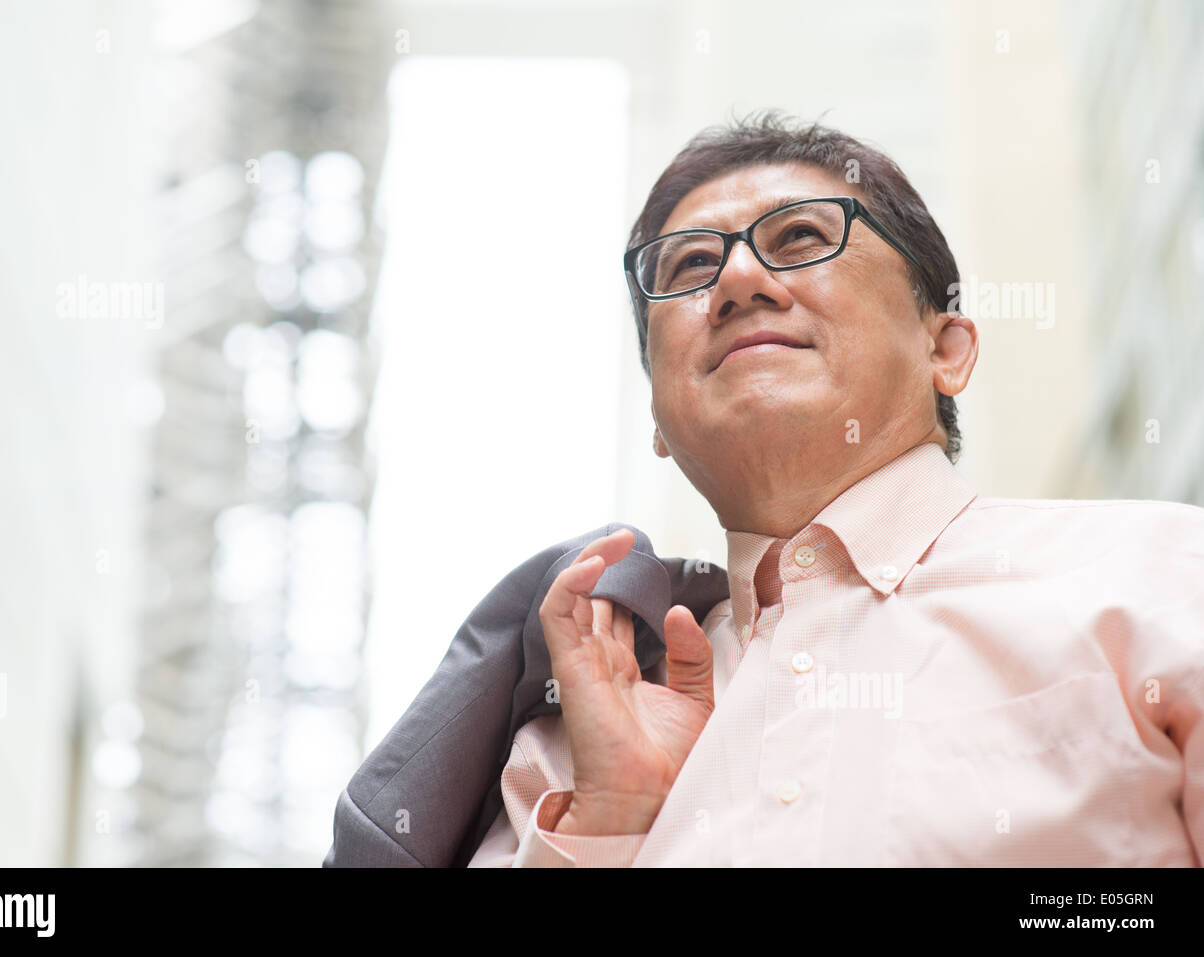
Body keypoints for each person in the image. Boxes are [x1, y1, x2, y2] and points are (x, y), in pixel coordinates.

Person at [468, 110, 1204, 867]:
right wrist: (612, 821)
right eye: (689, 266)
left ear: (944, 348)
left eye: (801, 239)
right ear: (657, 414)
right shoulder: (570, 752)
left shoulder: (1167, 576)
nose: (737, 280)